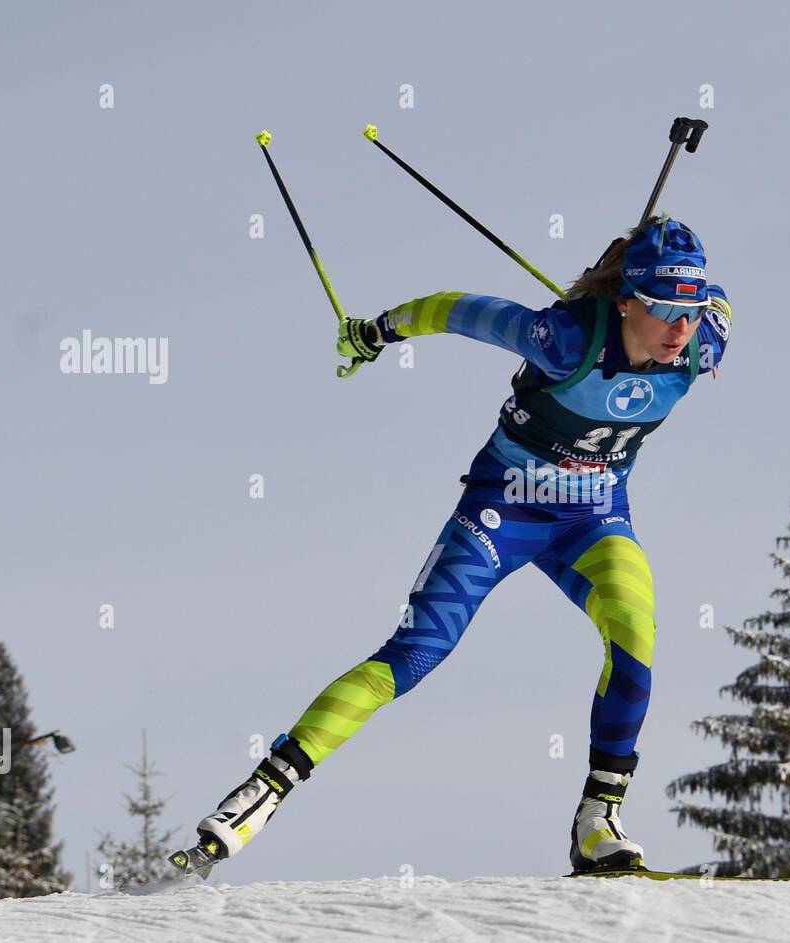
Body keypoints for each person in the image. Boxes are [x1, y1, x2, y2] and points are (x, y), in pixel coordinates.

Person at [192, 215, 733, 872]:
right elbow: (455, 311)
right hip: (504, 507)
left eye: (693, 310)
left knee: (635, 634)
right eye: (667, 310)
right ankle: (263, 789)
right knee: (416, 654)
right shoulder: (559, 339)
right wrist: (378, 331)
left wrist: (657, 265)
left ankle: (599, 818)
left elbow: (711, 304)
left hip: (593, 518)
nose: (682, 329)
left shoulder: (707, 340)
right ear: (626, 301)